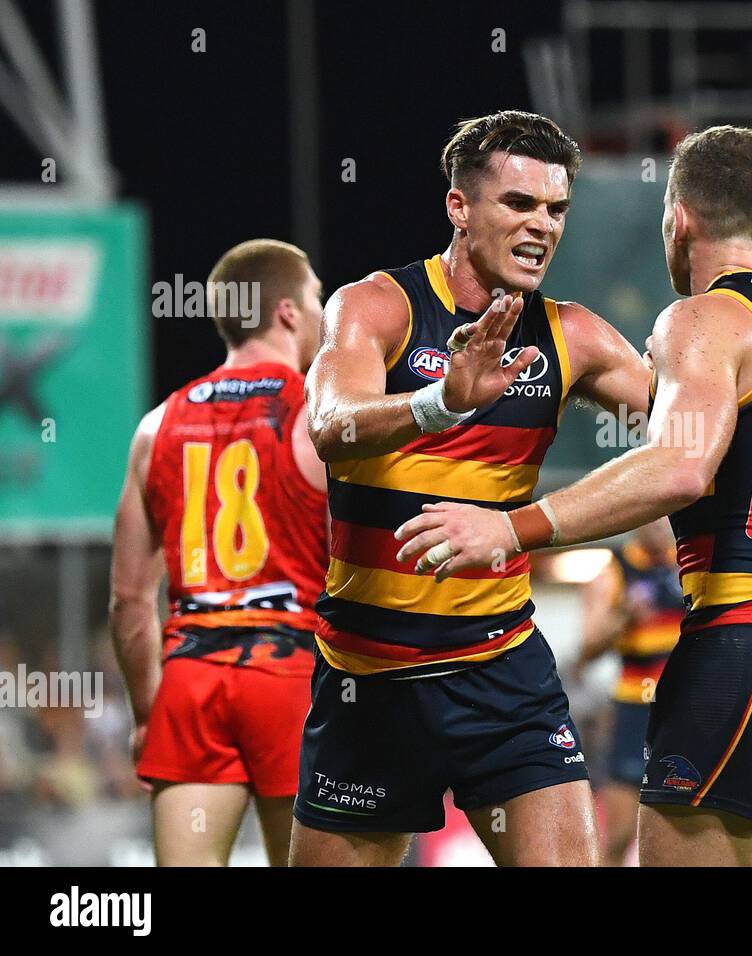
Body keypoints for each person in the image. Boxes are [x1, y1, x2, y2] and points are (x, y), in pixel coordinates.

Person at [396, 125, 752, 867]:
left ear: (677, 219)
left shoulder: (701, 318)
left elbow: (680, 466)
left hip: (746, 652)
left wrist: (512, 527)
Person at [289, 111, 650, 867]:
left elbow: (689, 431)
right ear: (460, 207)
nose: (542, 227)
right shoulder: (376, 306)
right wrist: (439, 403)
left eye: (556, 210)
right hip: (368, 685)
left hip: (502, 675)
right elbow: (328, 427)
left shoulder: (572, 336)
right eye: (519, 205)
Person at [110, 239, 327, 865]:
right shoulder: (317, 414)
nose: (321, 312)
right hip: (291, 673)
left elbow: (128, 601)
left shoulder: (156, 426)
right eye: (314, 297)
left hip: (193, 678)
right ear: (287, 312)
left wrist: (150, 712)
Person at [576, 518, 682, 865]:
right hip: (634, 710)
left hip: (684, 709)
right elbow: (588, 648)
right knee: (619, 835)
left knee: (684, 832)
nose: (661, 525)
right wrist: (624, 613)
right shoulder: (614, 569)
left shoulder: (686, 561)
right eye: (653, 517)